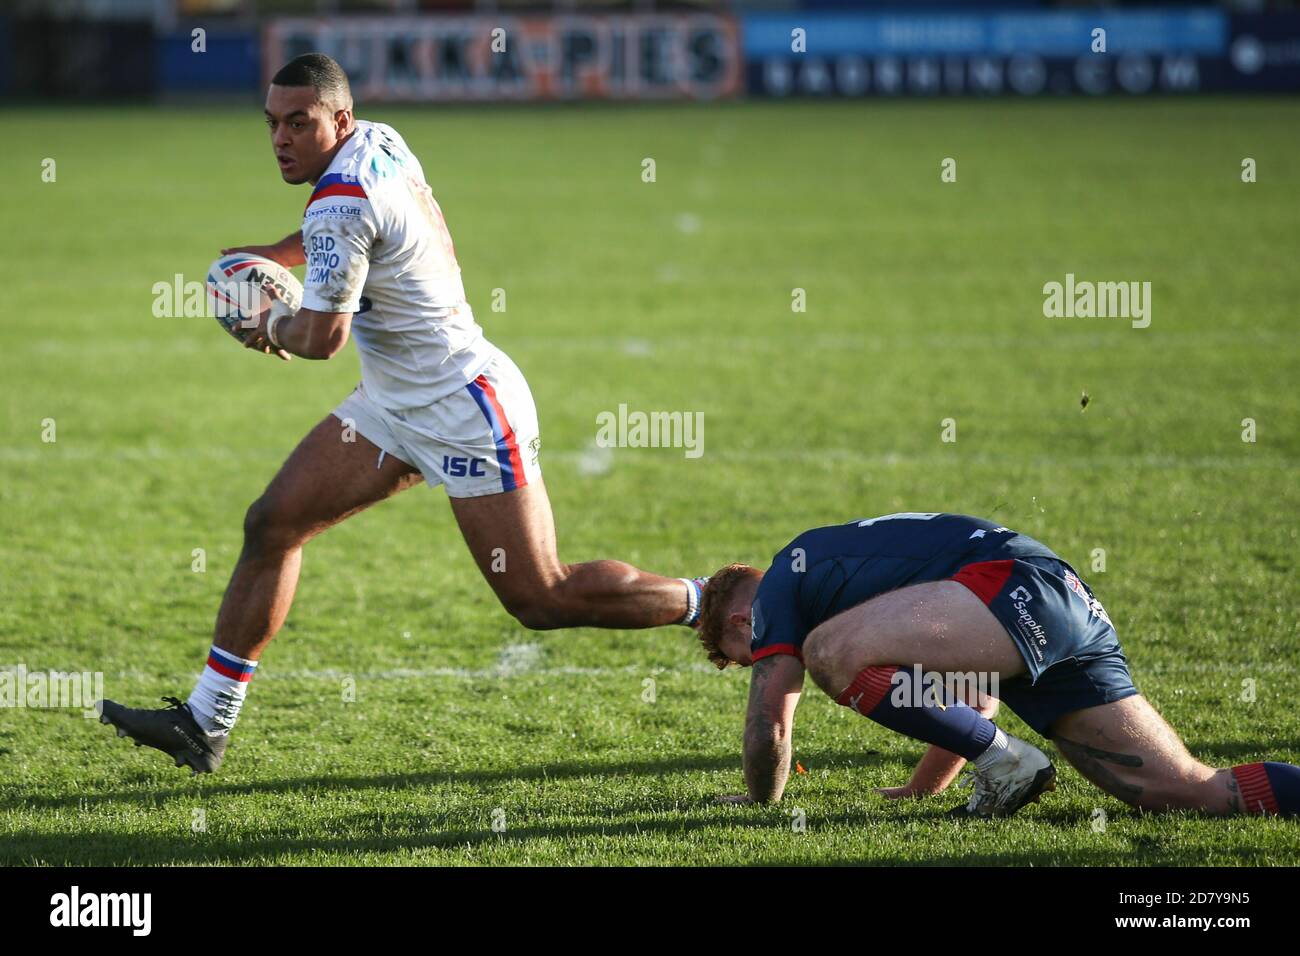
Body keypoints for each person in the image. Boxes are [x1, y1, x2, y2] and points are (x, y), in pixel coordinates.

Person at [97, 53, 705, 774]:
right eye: (272, 124)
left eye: (299, 123)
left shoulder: (337, 201)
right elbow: (354, 228)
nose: (281, 139)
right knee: (275, 522)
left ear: (338, 119)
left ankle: (714, 602)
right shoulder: (379, 141)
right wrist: (282, 255)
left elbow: (321, 339)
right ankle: (206, 722)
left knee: (540, 597)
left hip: (463, 408)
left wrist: (266, 320)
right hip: (391, 406)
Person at [698, 512, 1300, 818]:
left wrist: (760, 799)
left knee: (831, 650)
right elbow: (973, 699)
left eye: (748, 656)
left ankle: (1012, 767)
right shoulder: (869, 600)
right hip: (1059, 606)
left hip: (1016, 587)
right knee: (1182, 791)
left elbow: (770, 724)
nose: (770, 659)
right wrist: (920, 789)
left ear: (739, 624)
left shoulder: (781, 584)